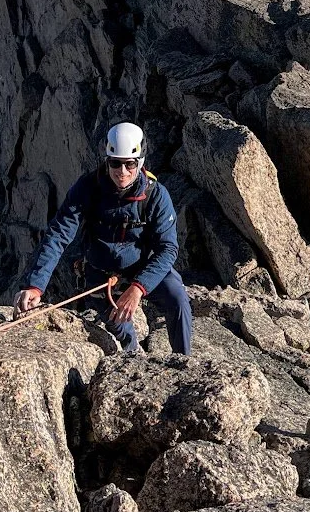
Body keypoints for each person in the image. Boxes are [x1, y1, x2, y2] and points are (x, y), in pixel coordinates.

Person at [14, 122, 193, 355]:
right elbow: (58, 235)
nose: (122, 171)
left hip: (143, 268)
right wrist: (35, 286)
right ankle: (133, 358)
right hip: (101, 274)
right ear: (107, 161)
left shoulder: (155, 195)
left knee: (178, 299)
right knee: (122, 331)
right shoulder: (88, 188)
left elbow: (168, 249)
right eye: (115, 163)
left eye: (130, 164)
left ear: (140, 162)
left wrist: (138, 288)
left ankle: (184, 361)